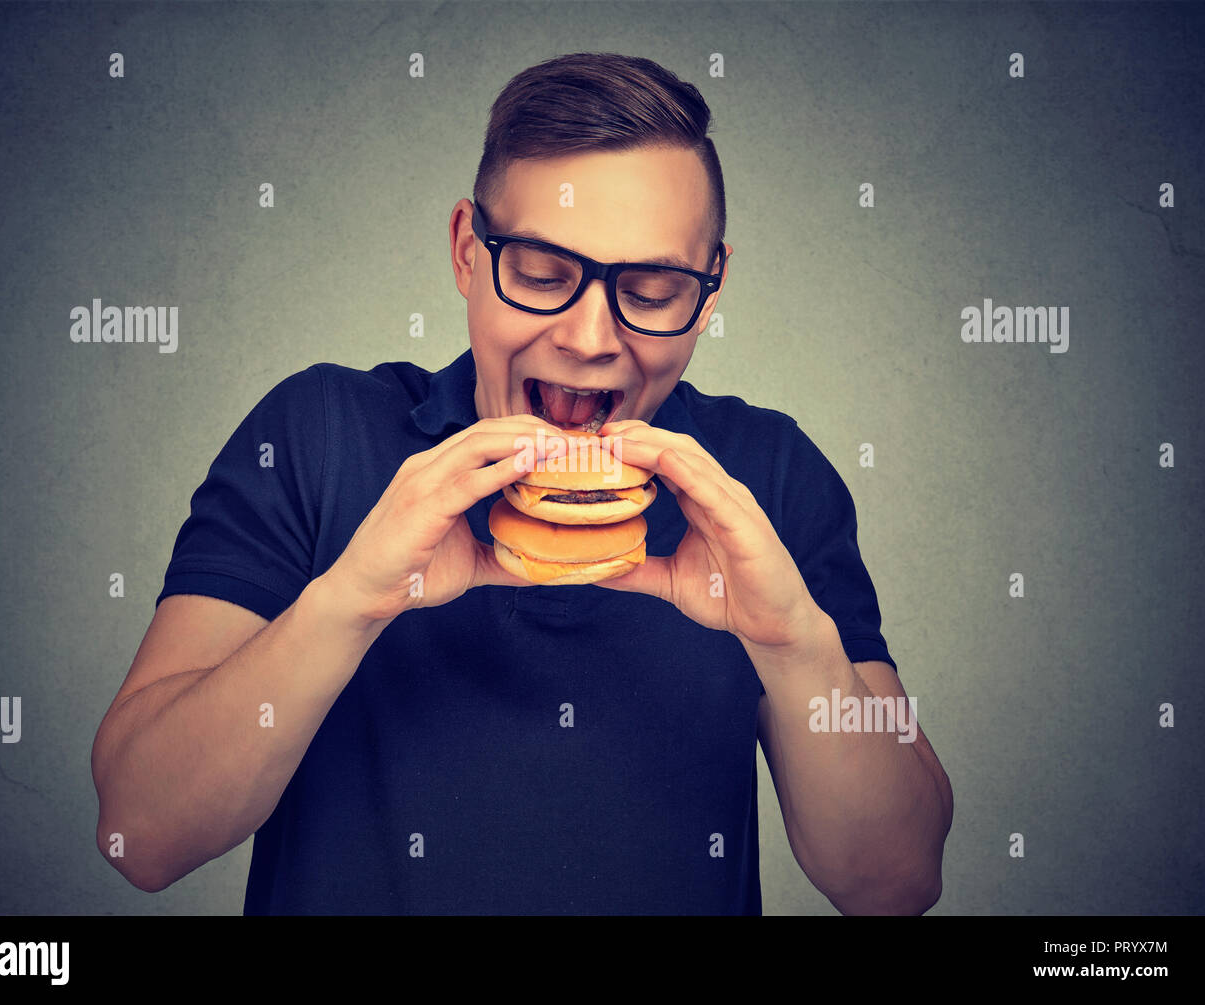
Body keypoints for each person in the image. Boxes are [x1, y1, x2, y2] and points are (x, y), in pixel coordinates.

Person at [91, 52, 952, 915]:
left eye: (651, 290)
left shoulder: (768, 475)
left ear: (711, 287)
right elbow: (142, 830)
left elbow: (896, 880)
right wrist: (349, 600)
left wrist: (794, 644)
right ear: (469, 251)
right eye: (542, 274)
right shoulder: (316, 436)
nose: (588, 337)